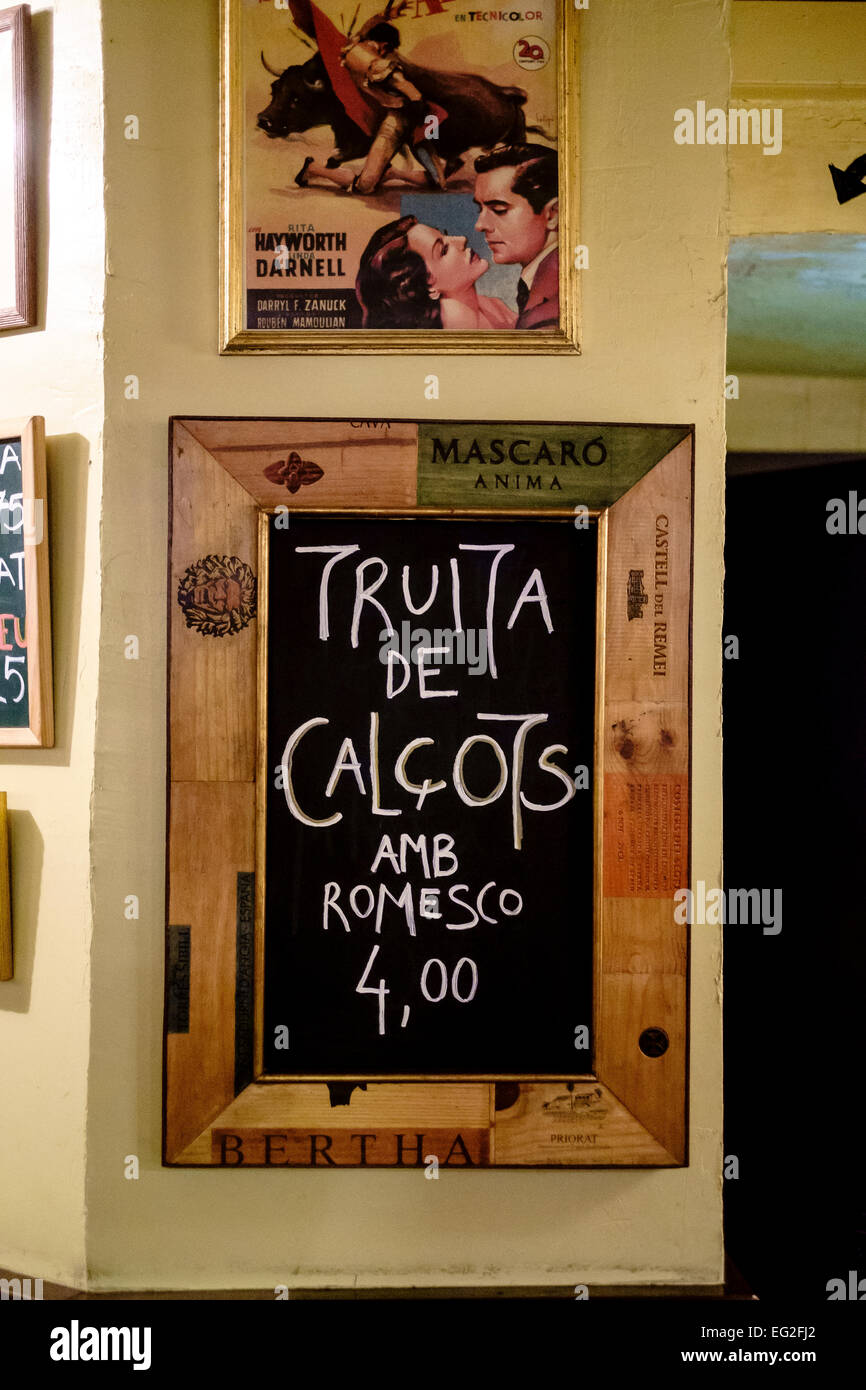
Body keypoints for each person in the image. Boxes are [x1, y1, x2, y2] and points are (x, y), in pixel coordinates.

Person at [355, 214, 515, 329]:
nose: (461, 239)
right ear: (428, 287)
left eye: (445, 236)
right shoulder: (452, 331)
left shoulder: (492, 305)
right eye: (443, 250)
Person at [473, 144, 559, 330]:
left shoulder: (547, 317)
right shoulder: (542, 281)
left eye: (499, 210)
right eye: (480, 209)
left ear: (553, 214)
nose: (480, 225)